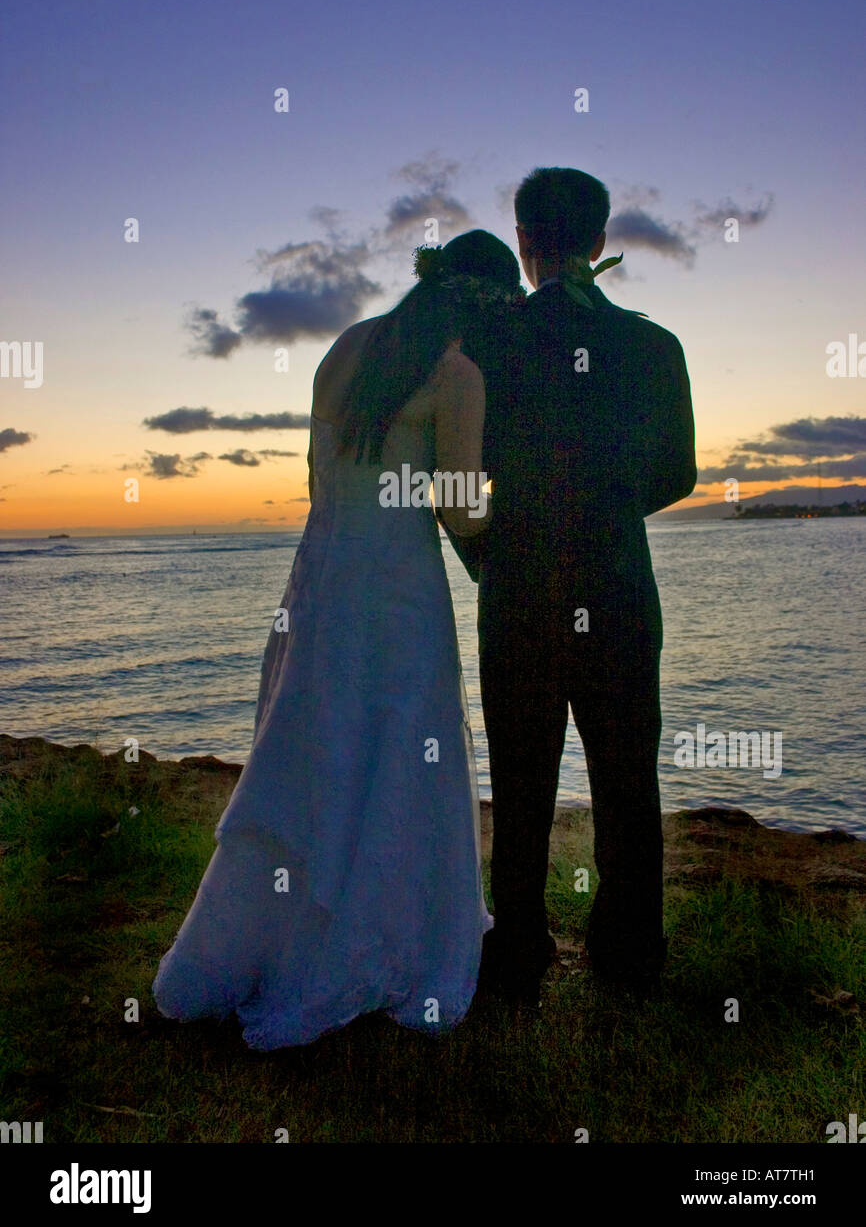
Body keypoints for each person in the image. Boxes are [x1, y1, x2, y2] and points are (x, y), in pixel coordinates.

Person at [152, 230, 520, 1049]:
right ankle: (374, 942)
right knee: (399, 749)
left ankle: (260, 939)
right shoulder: (458, 375)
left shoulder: (348, 347)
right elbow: (461, 508)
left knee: (312, 748)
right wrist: (523, 537)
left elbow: (317, 476)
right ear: (485, 303)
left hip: (319, 578)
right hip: (396, 586)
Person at [444, 168, 697, 1005]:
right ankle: (628, 952)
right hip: (618, 583)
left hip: (517, 585)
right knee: (628, 775)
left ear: (523, 243)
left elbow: (462, 471)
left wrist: (497, 545)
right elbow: (679, 474)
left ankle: (516, 949)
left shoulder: (489, 343)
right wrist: (606, 507)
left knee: (521, 780)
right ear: (597, 241)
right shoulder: (656, 348)